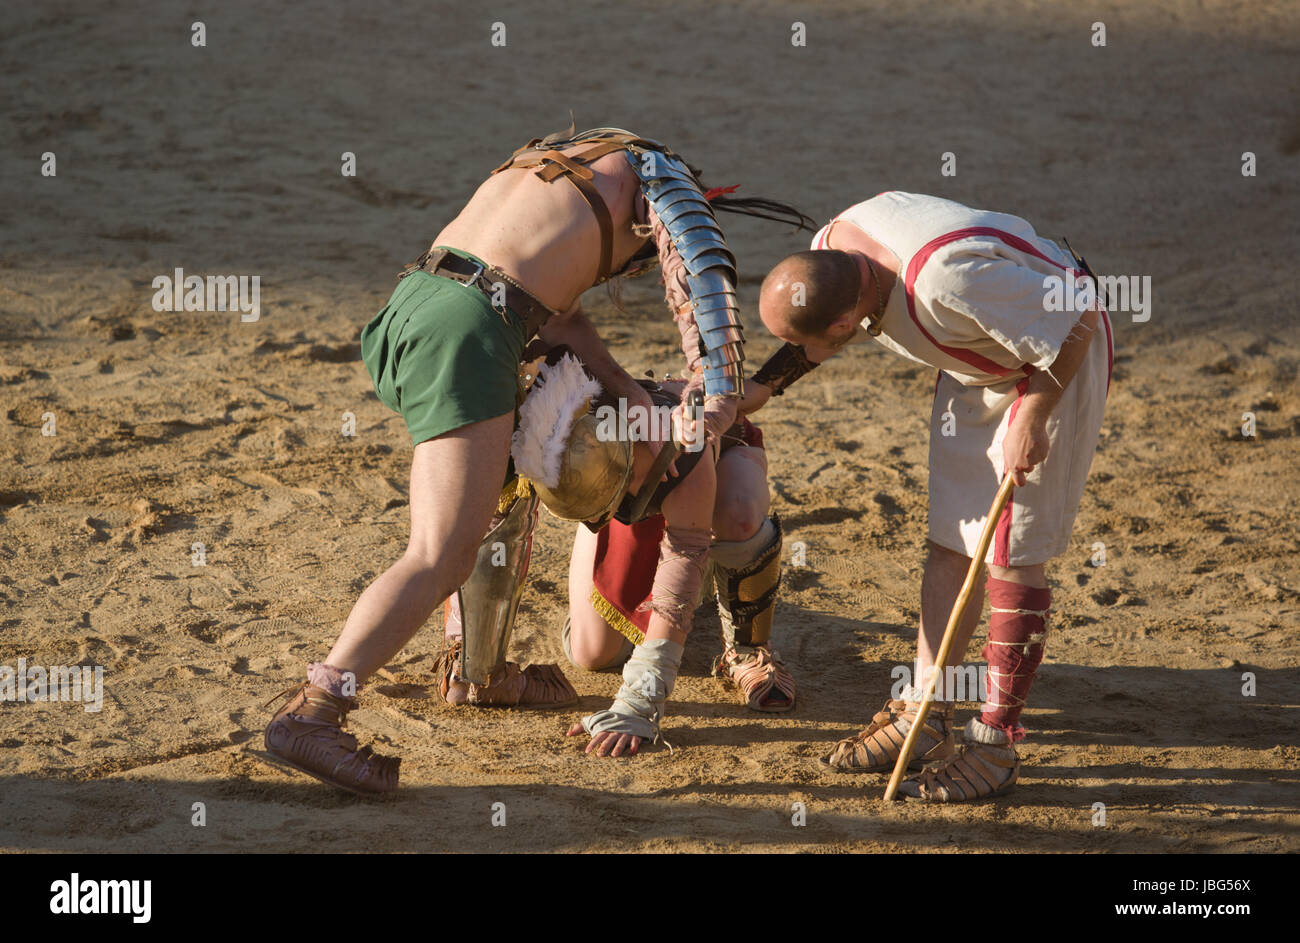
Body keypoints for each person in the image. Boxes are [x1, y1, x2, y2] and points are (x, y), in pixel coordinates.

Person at [262, 127, 810, 793]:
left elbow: (564, 323)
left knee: (499, 480)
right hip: (470, 329)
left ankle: (480, 671)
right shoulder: (657, 176)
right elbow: (703, 272)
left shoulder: (551, 167)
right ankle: (318, 710)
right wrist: (718, 394)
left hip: (416, 305)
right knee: (439, 552)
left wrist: (636, 395)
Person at [746, 190, 1113, 801]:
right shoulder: (833, 251)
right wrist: (762, 386)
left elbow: (1074, 315)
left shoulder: (948, 285)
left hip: (1052, 357)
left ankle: (996, 743)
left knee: (1011, 552)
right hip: (980, 357)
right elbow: (816, 329)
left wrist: (1034, 416)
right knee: (951, 542)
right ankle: (927, 708)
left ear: (847, 324)